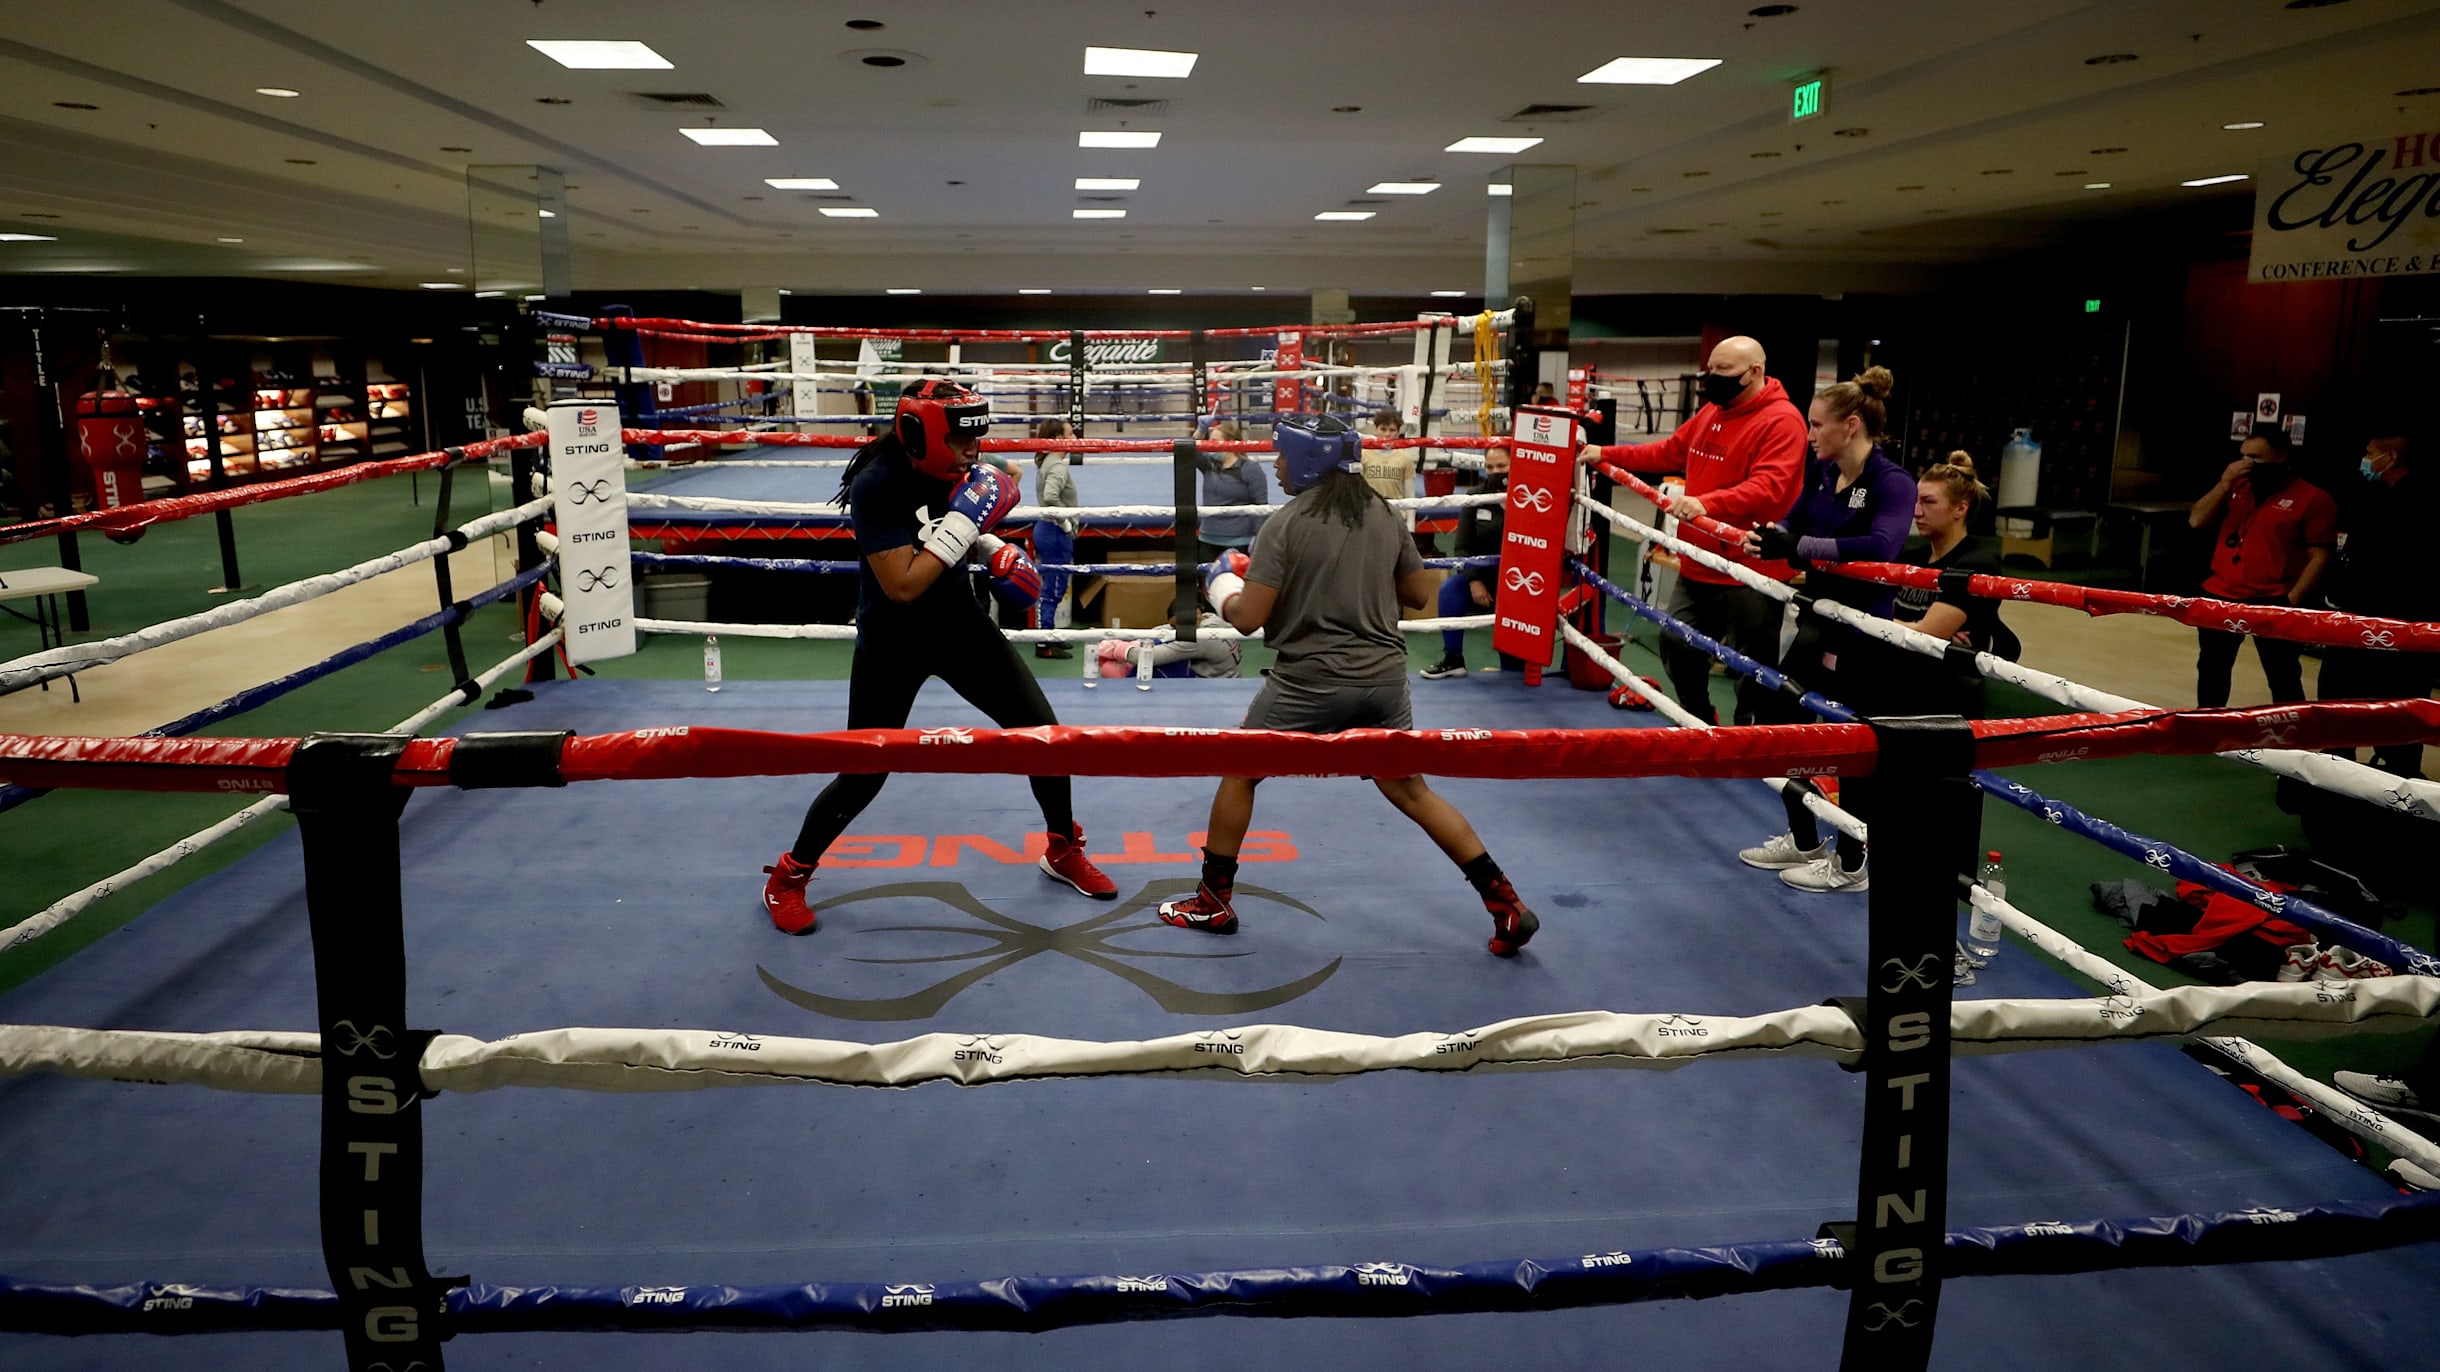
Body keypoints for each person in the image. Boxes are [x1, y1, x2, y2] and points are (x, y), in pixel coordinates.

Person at [1156, 413, 1540, 957]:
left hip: (1308, 682)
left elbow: (1247, 619)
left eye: (1283, 455)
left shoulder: (1284, 525)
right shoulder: (1382, 514)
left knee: (1240, 771)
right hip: (1384, 680)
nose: (1276, 463)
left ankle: (1213, 900)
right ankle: (1506, 904)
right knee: (1410, 788)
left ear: (1308, 460)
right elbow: (1418, 594)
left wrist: (1221, 584)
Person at [759, 379, 1116, 934]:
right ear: (919, 435)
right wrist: (966, 525)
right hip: (893, 641)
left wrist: (992, 545)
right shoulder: (877, 486)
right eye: (960, 441)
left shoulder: (960, 462)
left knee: (1043, 736)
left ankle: (1062, 849)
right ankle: (788, 876)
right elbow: (902, 585)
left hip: (960, 626)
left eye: (977, 439)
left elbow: (1003, 481)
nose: (973, 451)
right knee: (864, 774)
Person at [1734, 367, 1916, 894]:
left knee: (1851, 743)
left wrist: (1797, 548)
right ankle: (1806, 838)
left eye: (1816, 425)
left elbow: (1882, 545)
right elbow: (1795, 520)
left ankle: (1855, 861)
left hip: (1862, 631)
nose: (1809, 434)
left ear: (1851, 425)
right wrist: (1773, 536)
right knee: (1780, 721)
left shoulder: (1891, 481)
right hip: (1819, 618)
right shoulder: (1824, 473)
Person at [1576, 336, 1806, 725]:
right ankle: (1699, 718)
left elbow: (1770, 485)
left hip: (1749, 566)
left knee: (1751, 665)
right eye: (1710, 369)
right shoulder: (1713, 411)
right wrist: (1607, 454)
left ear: (1755, 372)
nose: (1712, 378)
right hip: (1699, 561)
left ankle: (1751, 733)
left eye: (1724, 371)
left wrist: (1707, 502)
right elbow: (1669, 451)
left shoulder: (1782, 421)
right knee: (1676, 643)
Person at [2186, 425, 2337, 708]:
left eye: (2255, 458)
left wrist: (2291, 600)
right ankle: (2207, 726)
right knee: (2211, 668)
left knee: (2282, 674)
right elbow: (2197, 520)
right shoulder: (2236, 486)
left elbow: (2320, 556)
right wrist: (2223, 483)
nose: (2245, 464)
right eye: (2242, 456)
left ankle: (2290, 736)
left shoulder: (2314, 498)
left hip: (2273, 598)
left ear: (2281, 457)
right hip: (2222, 592)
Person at [2315, 431, 2436, 777]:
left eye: (2370, 453)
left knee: (2395, 716)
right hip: (2359, 622)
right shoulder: (2376, 496)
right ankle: (2336, 783)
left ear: (2391, 457)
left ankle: (2395, 790)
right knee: (2340, 711)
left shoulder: (2420, 504)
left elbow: (2395, 569)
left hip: (2396, 628)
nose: (2364, 459)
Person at [1889, 452, 2017, 716]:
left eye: (1928, 502)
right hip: (1902, 678)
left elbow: (1925, 635)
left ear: (1961, 508)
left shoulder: (1977, 564)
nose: (1916, 512)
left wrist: (1882, 622)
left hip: (1947, 694)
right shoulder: (1911, 558)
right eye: (1916, 501)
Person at [1421, 443, 1510, 680]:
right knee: (1450, 589)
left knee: (1515, 671)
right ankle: (1453, 660)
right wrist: (1473, 581)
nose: (1495, 472)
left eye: (1502, 465)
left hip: (1516, 581)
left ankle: (1514, 666)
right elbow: (1462, 547)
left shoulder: (1530, 500)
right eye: (1490, 467)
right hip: (1482, 576)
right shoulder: (1475, 497)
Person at [1030, 418, 1079, 660]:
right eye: (1070, 435)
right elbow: (1050, 496)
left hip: (1048, 529)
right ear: (1058, 439)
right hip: (1054, 531)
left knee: (1053, 587)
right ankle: (1043, 644)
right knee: (1053, 589)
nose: (1074, 439)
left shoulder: (1049, 460)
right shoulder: (1057, 465)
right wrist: (1064, 520)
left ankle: (1048, 637)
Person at [1195, 419, 1271, 565]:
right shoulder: (1209, 464)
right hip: (1207, 539)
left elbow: (1261, 506)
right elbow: (1186, 452)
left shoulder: (1250, 469)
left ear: (1230, 443)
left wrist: (1258, 539)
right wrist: (1200, 430)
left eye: (1215, 441)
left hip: (1238, 542)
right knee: (1206, 584)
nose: (1210, 445)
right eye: (1209, 441)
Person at [1361, 408, 1435, 557]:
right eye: (1383, 429)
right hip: (1370, 515)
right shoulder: (1364, 454)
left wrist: (1411, 525)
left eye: (1392, 430)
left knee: (1393, 558)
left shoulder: (1404, 458)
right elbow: (1358, 491)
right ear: (1376, 429)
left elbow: (1410, 493)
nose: (1387, 434)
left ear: (1398, 432)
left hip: (1396, 516)